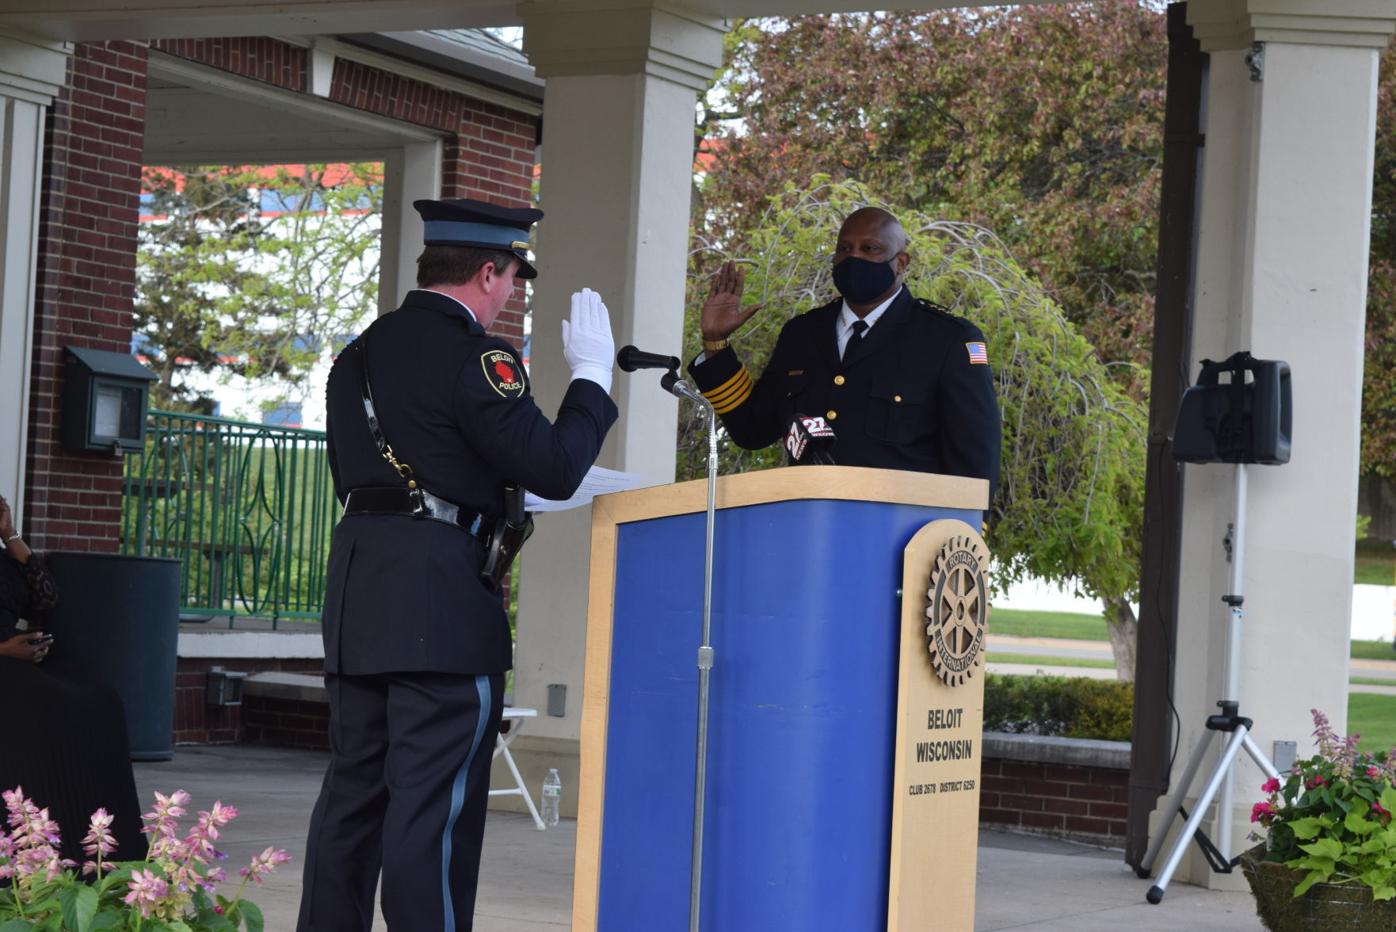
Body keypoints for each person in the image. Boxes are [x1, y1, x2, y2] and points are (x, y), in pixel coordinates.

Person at [297, 198, 618, 932]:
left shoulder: (360, 353)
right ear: (486, 270)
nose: (511, 296)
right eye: (513, 280)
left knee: (353, 798)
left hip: (359, 589)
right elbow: (557, 466)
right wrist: (591, 382)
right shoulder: (478, 356)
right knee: (431, 811)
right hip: (439, 599)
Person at [687, 207, 1001, 493]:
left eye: (870, 249)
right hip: (811, 532)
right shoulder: (802, 334)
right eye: (844, 249)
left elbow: (974, 460)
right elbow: (753, 430)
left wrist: (962, 540)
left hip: (902, 537)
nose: (854, 258)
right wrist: (716, 345)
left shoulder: (946, 340)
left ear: (901, 262)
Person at [0, 494, 145, 863]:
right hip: (6, 661)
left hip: (15, 664)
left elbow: (46, 597)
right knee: (43, 703)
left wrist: (10, 533)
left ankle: (107, 843)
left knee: (100, 700)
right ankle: (35, 843)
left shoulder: (5, 560)